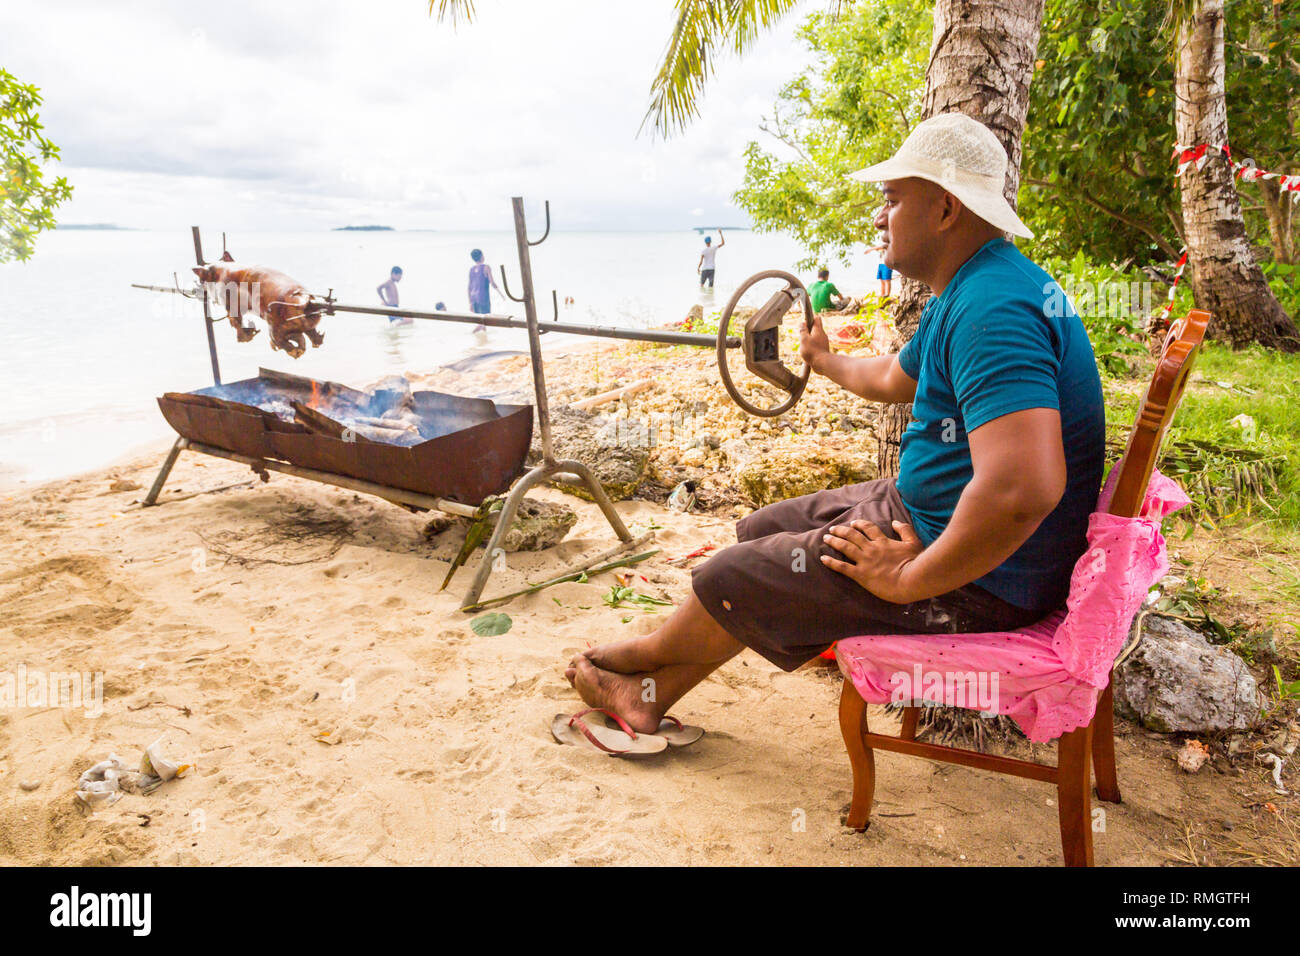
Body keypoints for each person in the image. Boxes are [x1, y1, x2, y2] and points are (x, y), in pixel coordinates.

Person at [563, 113, 1105, 734]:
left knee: (727, 573)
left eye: (892, 199)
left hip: (981, 578)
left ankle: (645, 657)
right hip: (931, 520)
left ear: (947, 209)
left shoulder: (994, 309)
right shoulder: (971, 287)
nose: (879, 217)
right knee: (759, 530)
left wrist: (908, 578)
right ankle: (647, 695)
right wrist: (822, 359)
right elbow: (890, 378)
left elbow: (1022, 489)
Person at [467, 248, 502, 332]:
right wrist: (497, 288)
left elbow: (469, 287)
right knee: (484, 321)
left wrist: (470, 302)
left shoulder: (471, 269)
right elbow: (492, 282)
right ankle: (471, 333)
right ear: (482, 256)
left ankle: (484, 339)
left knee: (481, 319)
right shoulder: (486, 267)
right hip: (483, 297)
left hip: (473, 298)